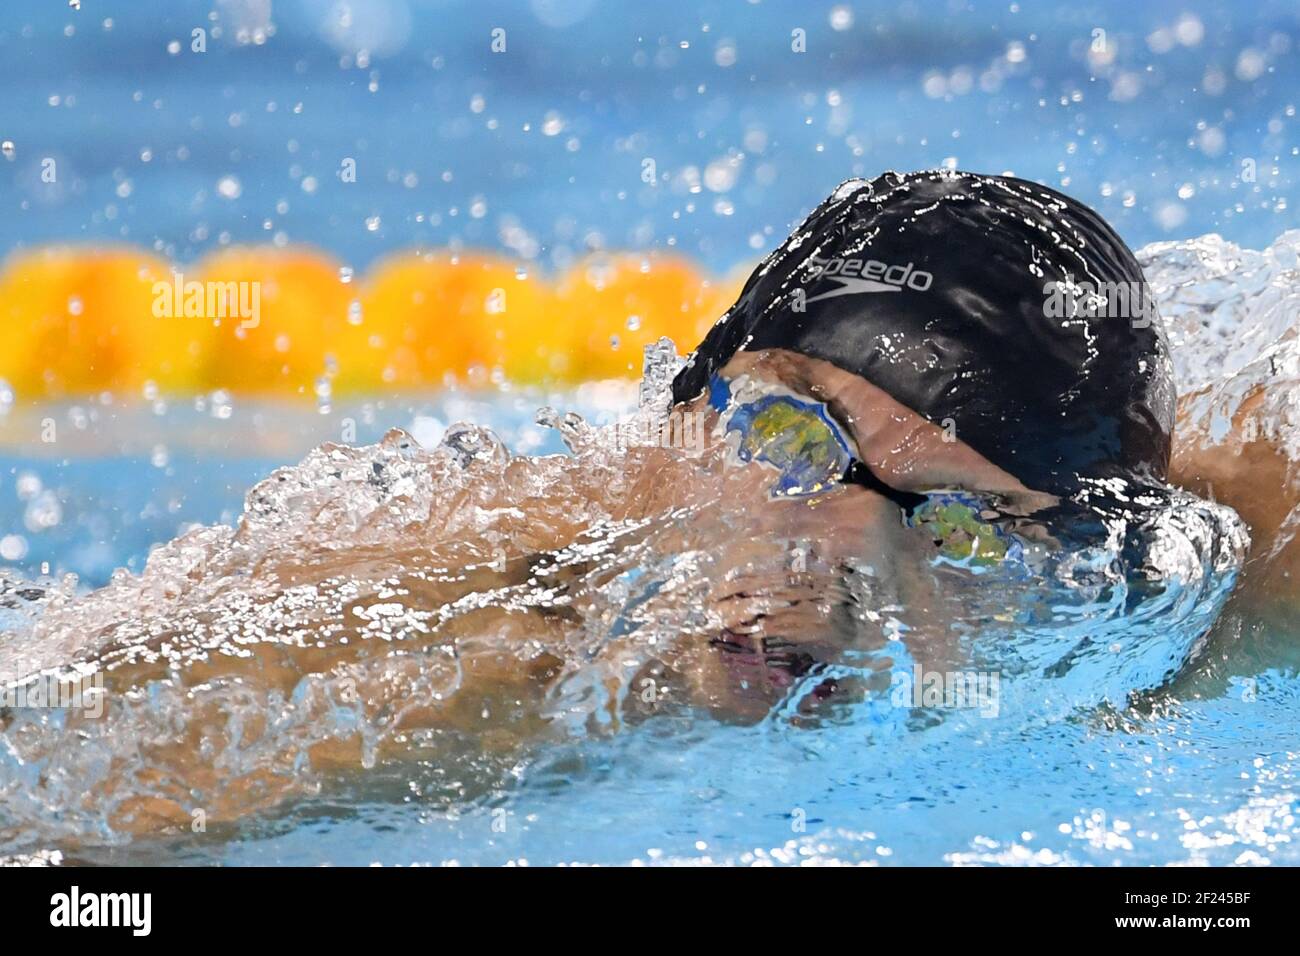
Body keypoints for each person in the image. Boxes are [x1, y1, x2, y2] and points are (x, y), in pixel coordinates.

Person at [0, 170, 1250, 837]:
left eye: (958, 516)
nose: (828, 556)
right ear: (689, 404)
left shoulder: (1148, 618)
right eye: (783, 431)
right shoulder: (479, 644)